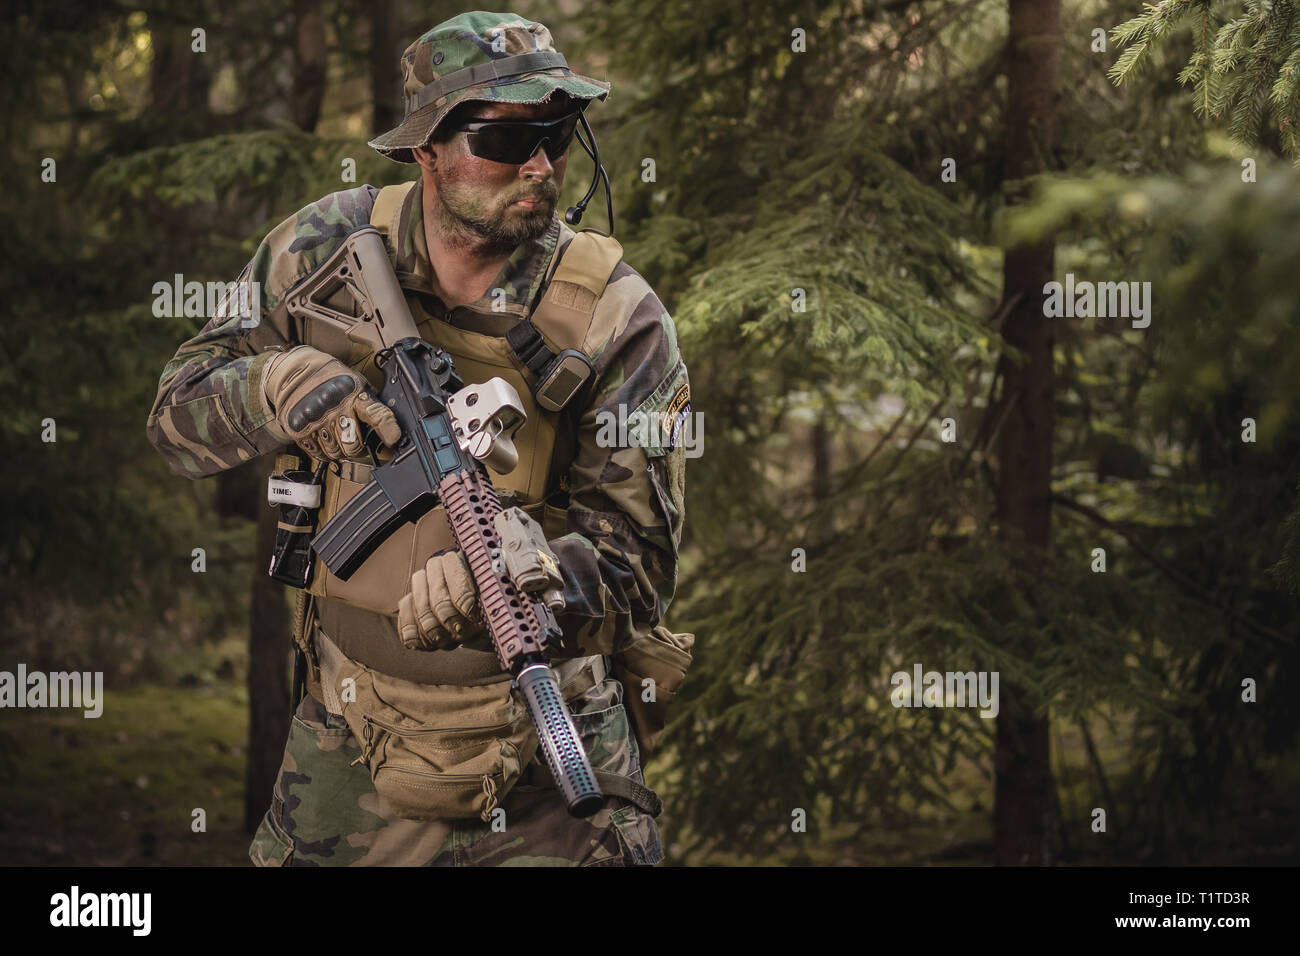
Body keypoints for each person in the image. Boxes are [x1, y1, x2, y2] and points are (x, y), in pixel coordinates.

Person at [145, 11, 692, 866]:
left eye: (557, 134)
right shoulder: (319, 248)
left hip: (550, 760)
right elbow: (177, 419)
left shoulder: (616, 315)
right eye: (506, 139)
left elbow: (640, 571)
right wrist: (279, 385)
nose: (541, 166)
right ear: (425, 149)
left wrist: (518, 575)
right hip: (349, 739)